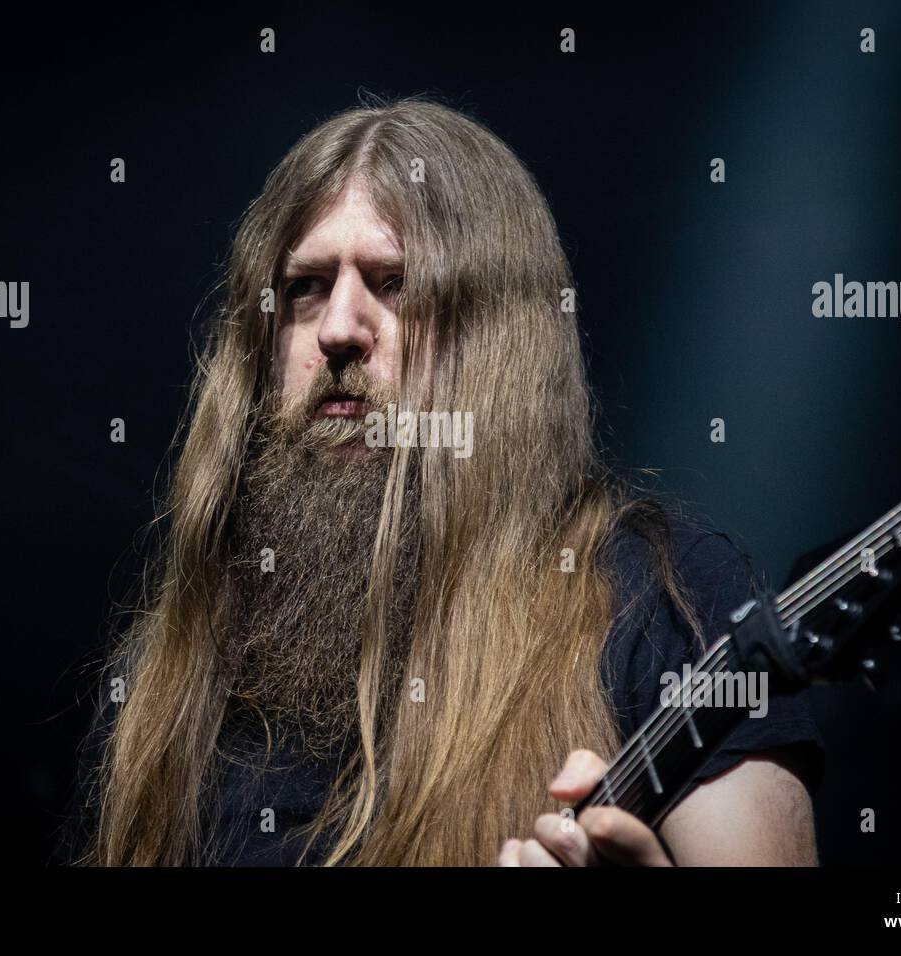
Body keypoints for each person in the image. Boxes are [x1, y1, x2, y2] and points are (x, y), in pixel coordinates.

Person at [63, 95, 823, 867]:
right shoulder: (177, 668)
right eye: (306, 287)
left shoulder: (674, 601)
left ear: (498, 332)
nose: (337, 329)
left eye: (395, 283)